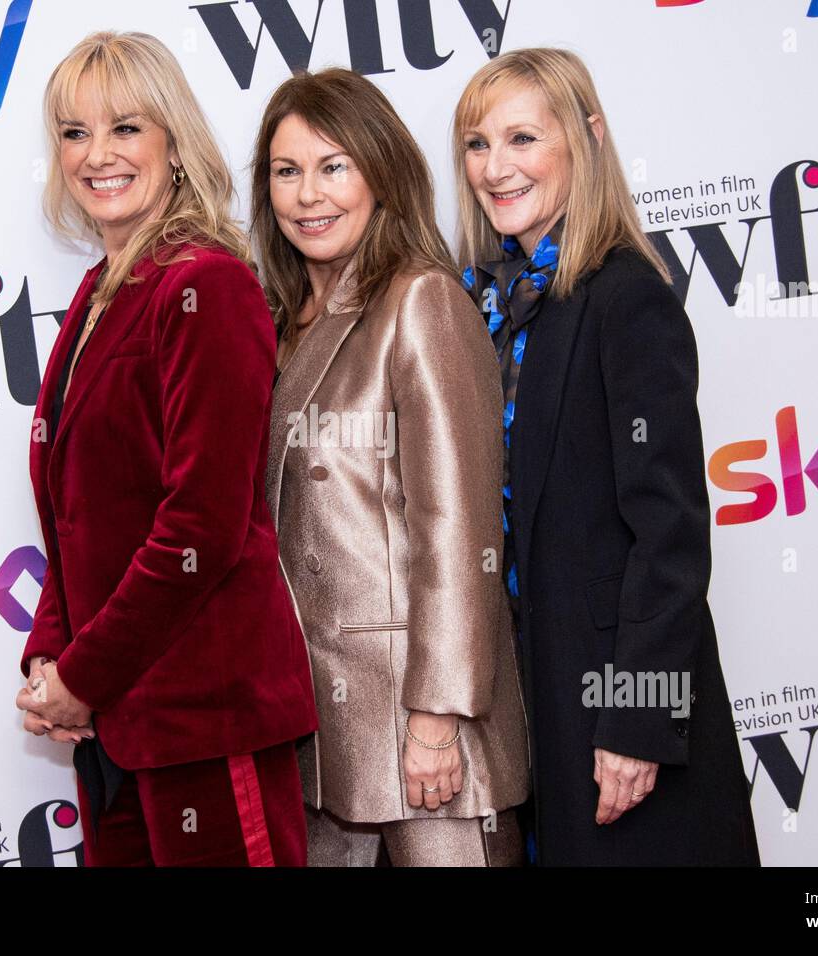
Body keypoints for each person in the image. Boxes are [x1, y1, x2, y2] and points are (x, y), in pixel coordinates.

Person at [13, 31, 317, 867]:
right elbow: (77, 517)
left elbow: (200, 525)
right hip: (119, 728)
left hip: (204, 718)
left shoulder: (206, 285)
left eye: (125, 128)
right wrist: (51, 656)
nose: (96, 155)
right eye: (74, 132)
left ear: (174, 143)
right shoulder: (100, 290)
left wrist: (81, 677)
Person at [454, 47, 761, 865]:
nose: (495, 167)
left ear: (587, 138)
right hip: (536, 700)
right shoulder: (493, 306)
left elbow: (670, 537)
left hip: (616, 712)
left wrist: (638, 721)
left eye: (522, 138)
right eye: (477, 144)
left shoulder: (627, 297)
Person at [253, 68, 530, 866]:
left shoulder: (421, 301)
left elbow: (460, 528)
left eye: (334, 166)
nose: (309, 194)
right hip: (319, 733)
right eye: (286, 170)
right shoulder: (279, 322)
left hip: (424, 736)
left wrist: (438, 717)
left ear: (382, 171)